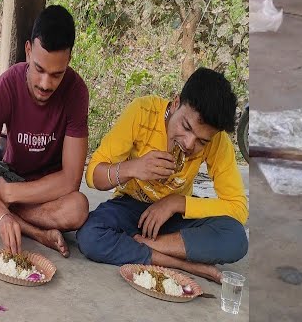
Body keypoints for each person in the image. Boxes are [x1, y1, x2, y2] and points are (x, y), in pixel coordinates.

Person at [77, 67, 247, 283]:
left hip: (176, 218)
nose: (189, 144)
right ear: (176, 103)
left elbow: (238, 207)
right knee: (90, 235)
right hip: (130, 208)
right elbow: (93, 175)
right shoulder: (143, 112)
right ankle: (181, 263)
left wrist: (176, 203)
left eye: (202, 141)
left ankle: (144, 245)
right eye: (186, 127)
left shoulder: (218, 141)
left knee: (235, 237)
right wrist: (134, 168)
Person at [0, 5, 89, 258]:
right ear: (28, 51)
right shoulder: (5, 86)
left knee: (78, 208)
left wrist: (8, 195)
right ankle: (37, 233)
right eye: (39, 69)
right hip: (10, 173)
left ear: (69, 60)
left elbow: (71, 179)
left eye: (56, 75)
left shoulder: (76, 92)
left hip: (47, 189)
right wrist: (2, 215)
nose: (45, 84)